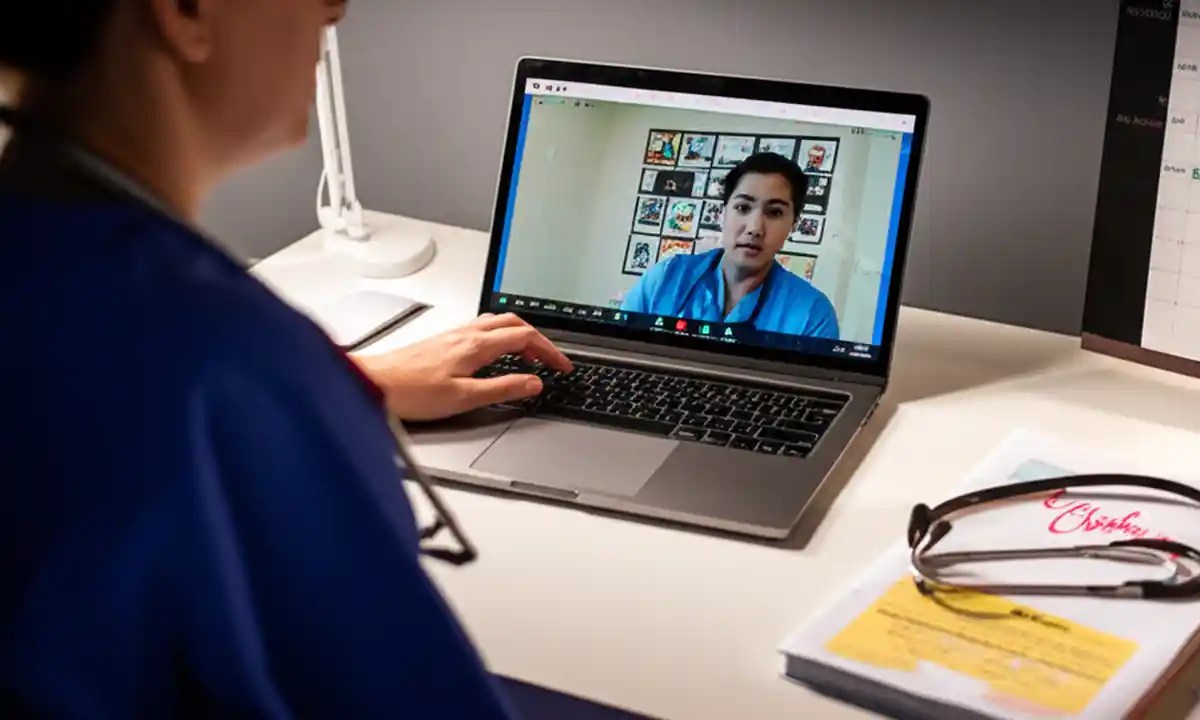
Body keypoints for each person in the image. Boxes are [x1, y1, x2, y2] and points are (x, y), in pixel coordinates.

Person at [0, 1, 573, 717]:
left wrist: (343, 386)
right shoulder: (225, 356)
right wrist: (295, 397)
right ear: (183, 11)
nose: (336, 8)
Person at [621, 152, 841, 339]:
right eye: (743, 208)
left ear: (793, 225)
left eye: (775, 212)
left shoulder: (813, 315)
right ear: (722, 214)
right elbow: (622, 349)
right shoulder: (666, 278)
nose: (755, 228)